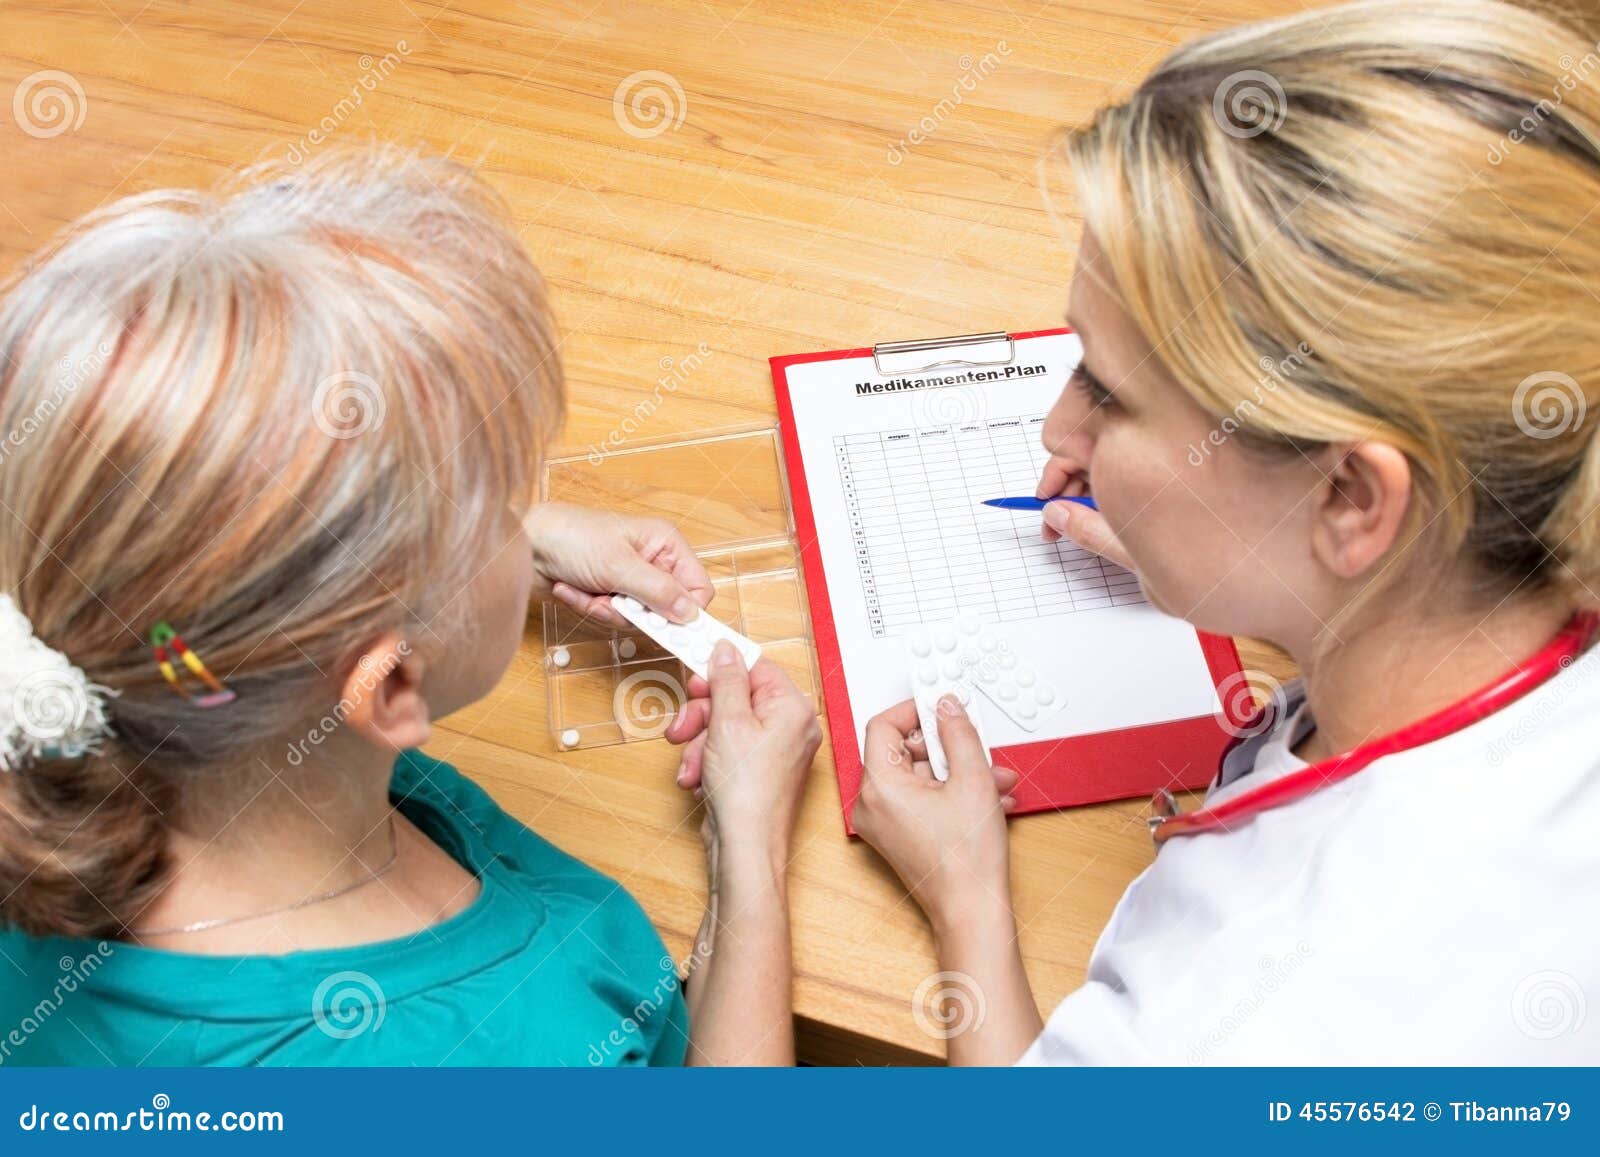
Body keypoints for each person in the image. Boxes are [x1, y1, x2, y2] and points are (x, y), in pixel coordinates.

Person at [837, 0, 1600, 1063]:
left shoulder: (1225, 1028)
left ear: (1349, 500)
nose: (1061, 428)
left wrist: (963, 889)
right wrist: (1265, 575)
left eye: (1107, 391)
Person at [0, 147, 819, 1066]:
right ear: (389, 688)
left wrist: (503, 550)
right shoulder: (507, 1054)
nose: (524, 517)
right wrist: (751, 852)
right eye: (505, 505)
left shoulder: (81, 658)